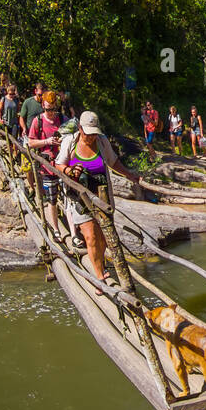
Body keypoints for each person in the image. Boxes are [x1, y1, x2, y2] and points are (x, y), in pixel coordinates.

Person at [55, 111, 141, 288]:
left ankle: (100, 264)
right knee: (91, 236)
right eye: (88, 133)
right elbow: (59, 164)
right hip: (81, 198)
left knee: (102, 237)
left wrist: (129, 175)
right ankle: (100, 277)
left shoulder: (102, 142)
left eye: (94, 133)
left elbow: (113, 162)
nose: (91, 137)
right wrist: (69, 171)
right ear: (80, 129)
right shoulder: (70, 143)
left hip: (103, 197)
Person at [28, 91, 76, 255]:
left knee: (70, 198)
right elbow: (30, 142)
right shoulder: (38, 121)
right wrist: (46, 142)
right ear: (43, 106)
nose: (51, 113)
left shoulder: (63, 120)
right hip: (47, 167)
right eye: (48, 109)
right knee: (52, 199)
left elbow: (75, 135)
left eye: (53, 109)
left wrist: (64, 140)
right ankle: (56, 229)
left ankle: (74, 232)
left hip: (64, 165)